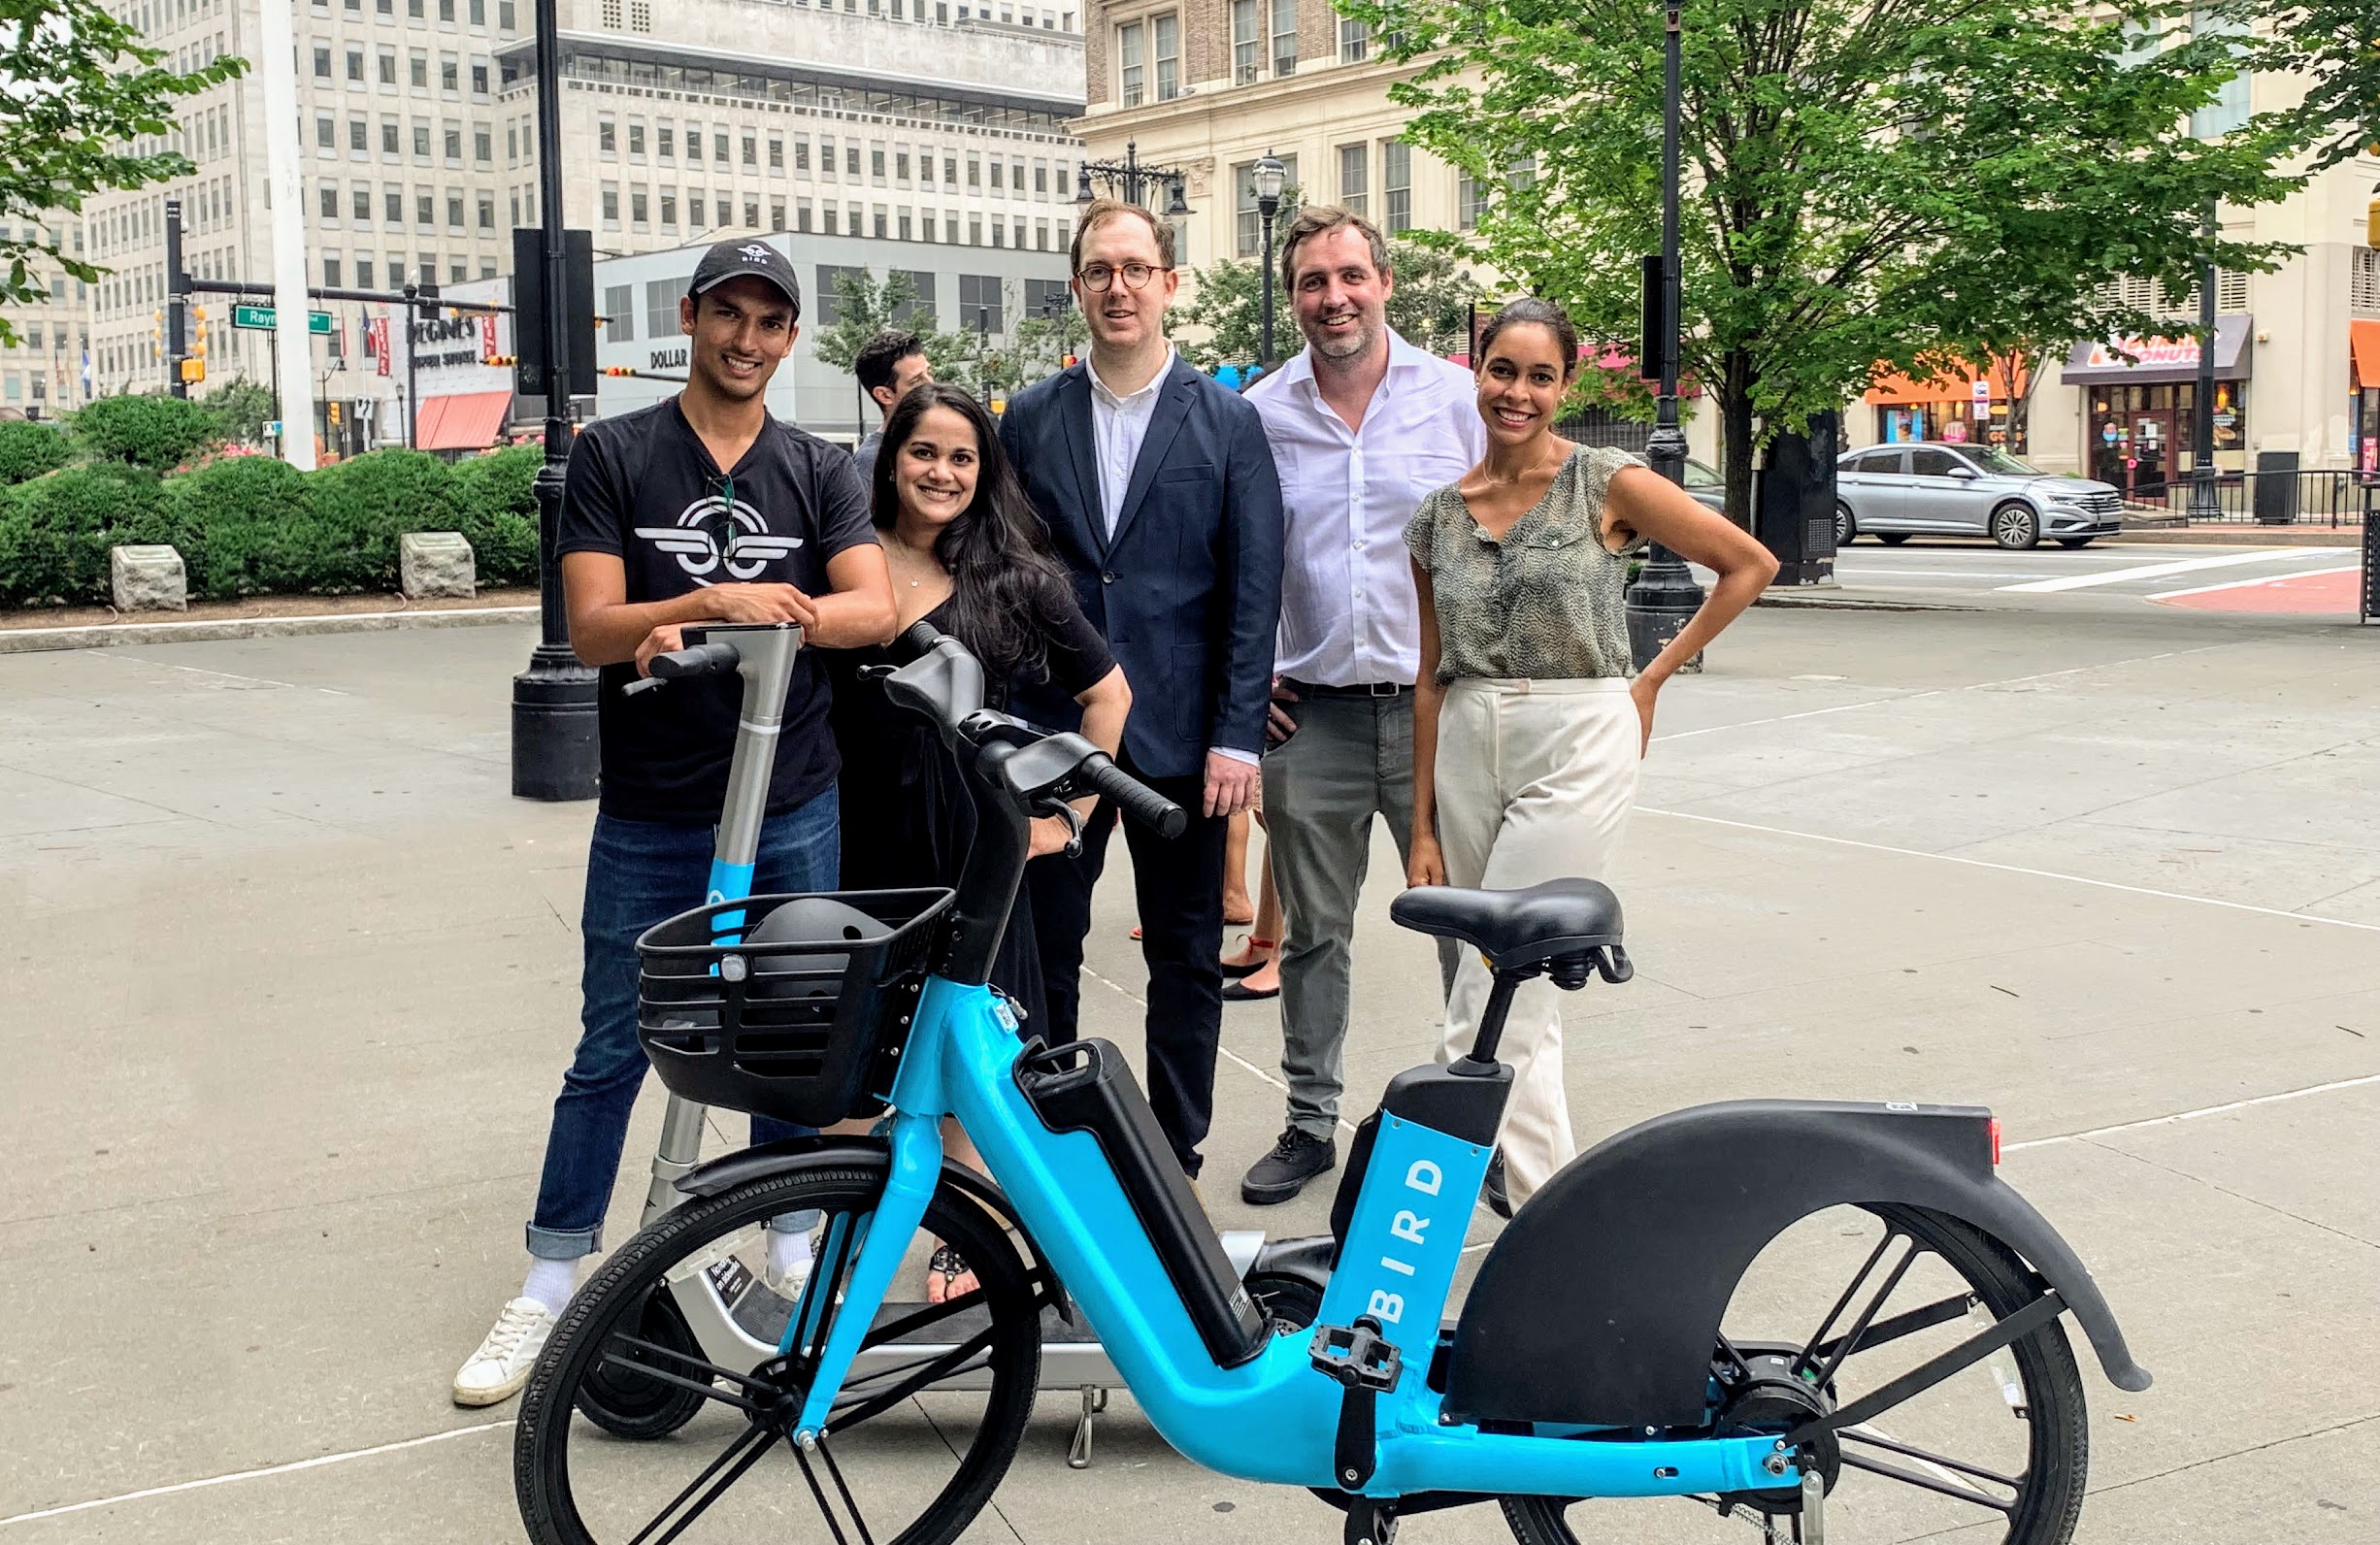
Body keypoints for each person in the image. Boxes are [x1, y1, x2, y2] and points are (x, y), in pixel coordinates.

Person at [452, 238, 898, 1406]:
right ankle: (551, 1279)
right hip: (654, 807)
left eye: (770, 322)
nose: (747, 340)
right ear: (691, 318)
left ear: (792, 338)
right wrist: (707, 600)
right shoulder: (615, 452)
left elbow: (877, 603)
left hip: (790, 792)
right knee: (614, 1042)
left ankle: (790, 1251)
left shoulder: (818, 465)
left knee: (783, 1037)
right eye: (729, 316)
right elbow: (594, 626)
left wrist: (774, 613)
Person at [1405, 297, 1776, 1212]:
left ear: (1566, 385)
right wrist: (1418, 822)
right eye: (1502, 370)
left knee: (1497, 996)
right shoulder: (1437, 518)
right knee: (1518, 1004)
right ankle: (1554, 1211)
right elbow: (1426, 677)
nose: (1516, 392)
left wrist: (1649, 682)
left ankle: (1476, 1221)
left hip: (1578, 729)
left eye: (1539, 376)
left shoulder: (1607, 482)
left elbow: (1749, 565)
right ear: (1475, 371)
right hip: (1467, 734)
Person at [825, 381, 1132, 1298]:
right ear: (891, 457)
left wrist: (1067, 818)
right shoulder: (843, 561)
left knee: (973, 1055)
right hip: (853, 834)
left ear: (985, 472)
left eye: (964, 457)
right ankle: (836, 1241)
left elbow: (1108, 695)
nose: (943, 472)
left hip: (969, 841)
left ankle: (971, 1242)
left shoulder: (1016, 575)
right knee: (853, 1049)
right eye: (925, 452)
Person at [1000, 198, 1285, 1179]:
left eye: (1134, 268)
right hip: (1056, 733)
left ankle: (1174, 1153)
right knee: (1044, 951)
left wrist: (1237, 738)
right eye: (1097, 270)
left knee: (1186, 953)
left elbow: (1254, 591)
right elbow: (1004, 570)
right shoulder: (1031, 419)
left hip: (1183, 736)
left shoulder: (1229, 423)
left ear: (1169, 283)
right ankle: (1059, 1151)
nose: (1116, 287)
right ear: (1076, 287)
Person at [1235, 206, 1483, 1204]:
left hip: (1438, 714)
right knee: (1314, 936)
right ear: (1291, 294)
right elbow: (1237, 562)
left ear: (1383, 280)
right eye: (1310, 281)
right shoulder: (1257, 411)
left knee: (1464, 932)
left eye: (1348, 275)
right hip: (1316, 719)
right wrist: (1248, 675)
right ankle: (1308, 1120)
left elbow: (1501, 530)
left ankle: (1479, 1129)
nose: (1332, 297)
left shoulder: (1457, 398)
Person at [850, 329, 933, 480]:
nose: (931, 383)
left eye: (929, 373)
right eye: (916, 381)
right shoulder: (871, 460)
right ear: (885, 395)